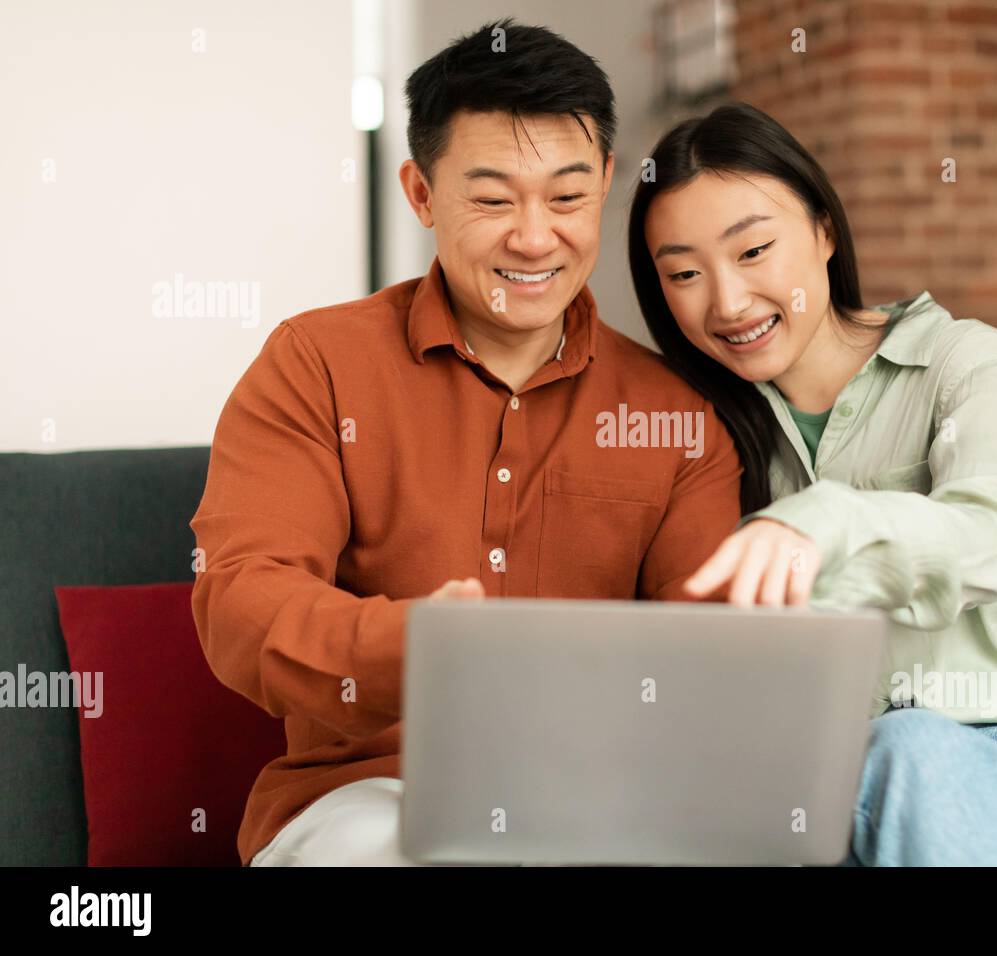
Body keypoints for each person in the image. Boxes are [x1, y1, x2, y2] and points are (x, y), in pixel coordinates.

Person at [191, 20, 742, 867]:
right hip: (367, 798)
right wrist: (419, 647)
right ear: (421, 193)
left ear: (604, 184)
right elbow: (241, 602)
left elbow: (710, 660)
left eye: (566, 197)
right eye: (491, 198)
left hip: (600, 804)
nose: (532, 238)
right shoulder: (315, 364)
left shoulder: (677, 415)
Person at [629, 102, 997, 866]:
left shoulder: (963, 362)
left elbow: (985, 543)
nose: (727, 302)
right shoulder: (694, 430)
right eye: (684, 274)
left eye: (754, 250)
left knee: (912, 749)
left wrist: (828, 519)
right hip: (824, 782)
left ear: (826, 231)